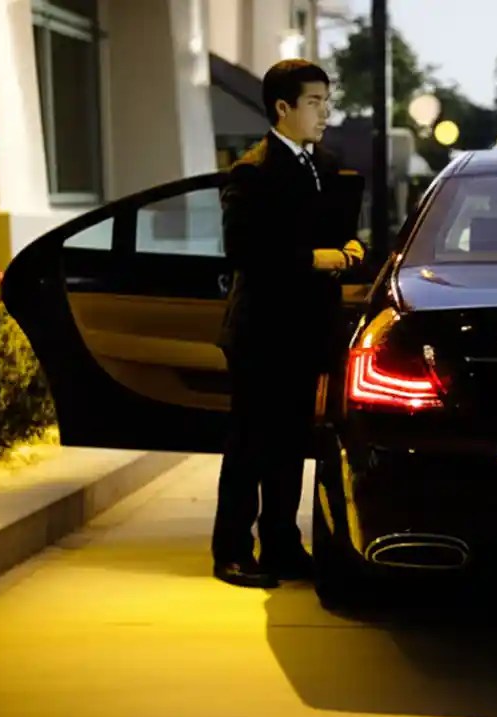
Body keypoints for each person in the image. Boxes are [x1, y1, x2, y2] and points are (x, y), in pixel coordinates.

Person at [211, 59, 366, 588]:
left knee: (290, 445)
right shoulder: (252, 171)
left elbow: (336, 232)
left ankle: (281, 543)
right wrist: (317, 258)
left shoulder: (326, 166)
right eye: (314, 102)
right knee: (250, 444)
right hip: (261, 332)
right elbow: (244, 251)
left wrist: (350, 248)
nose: (325, 112)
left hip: (309, 330)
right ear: (283, 107)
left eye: (327, 101)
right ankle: (233, 550)